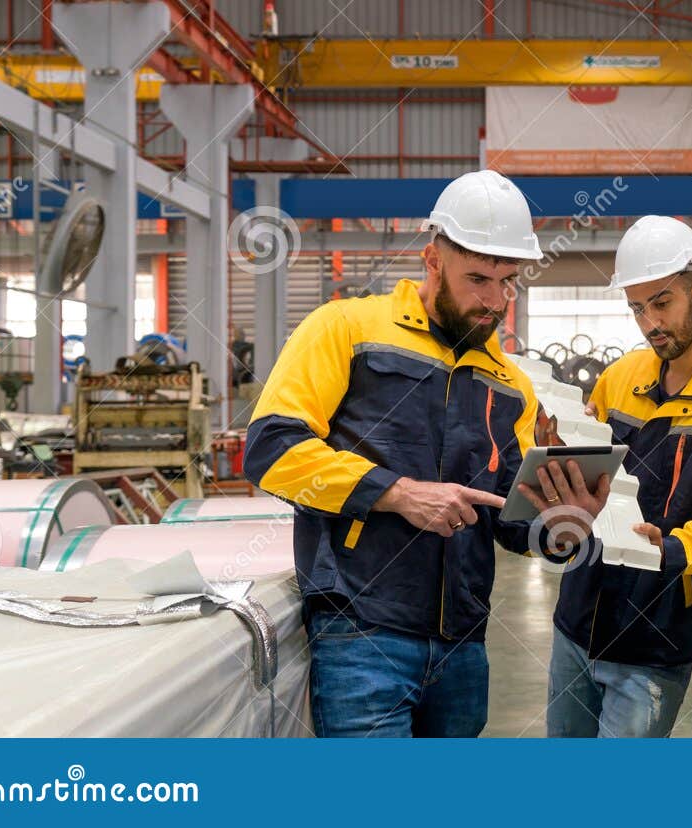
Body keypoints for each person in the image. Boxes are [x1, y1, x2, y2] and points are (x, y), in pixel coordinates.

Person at [244, 170, 609, 738]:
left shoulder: (508, 382)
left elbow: (512, 521)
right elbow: (271, 450)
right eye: (479, 279)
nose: (495, 301)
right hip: (363, 633)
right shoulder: (345, 329)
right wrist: (397, 494)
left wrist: (567, 522)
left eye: (507, 282)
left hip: (464, 646)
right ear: (432, 259)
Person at [546, 215, 692, 737]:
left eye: (662, 303)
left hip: (653, 637)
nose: (650, 322)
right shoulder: (619, 378)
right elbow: (589, 472)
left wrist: (669, 549)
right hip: (577, 619)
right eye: (637, 307)